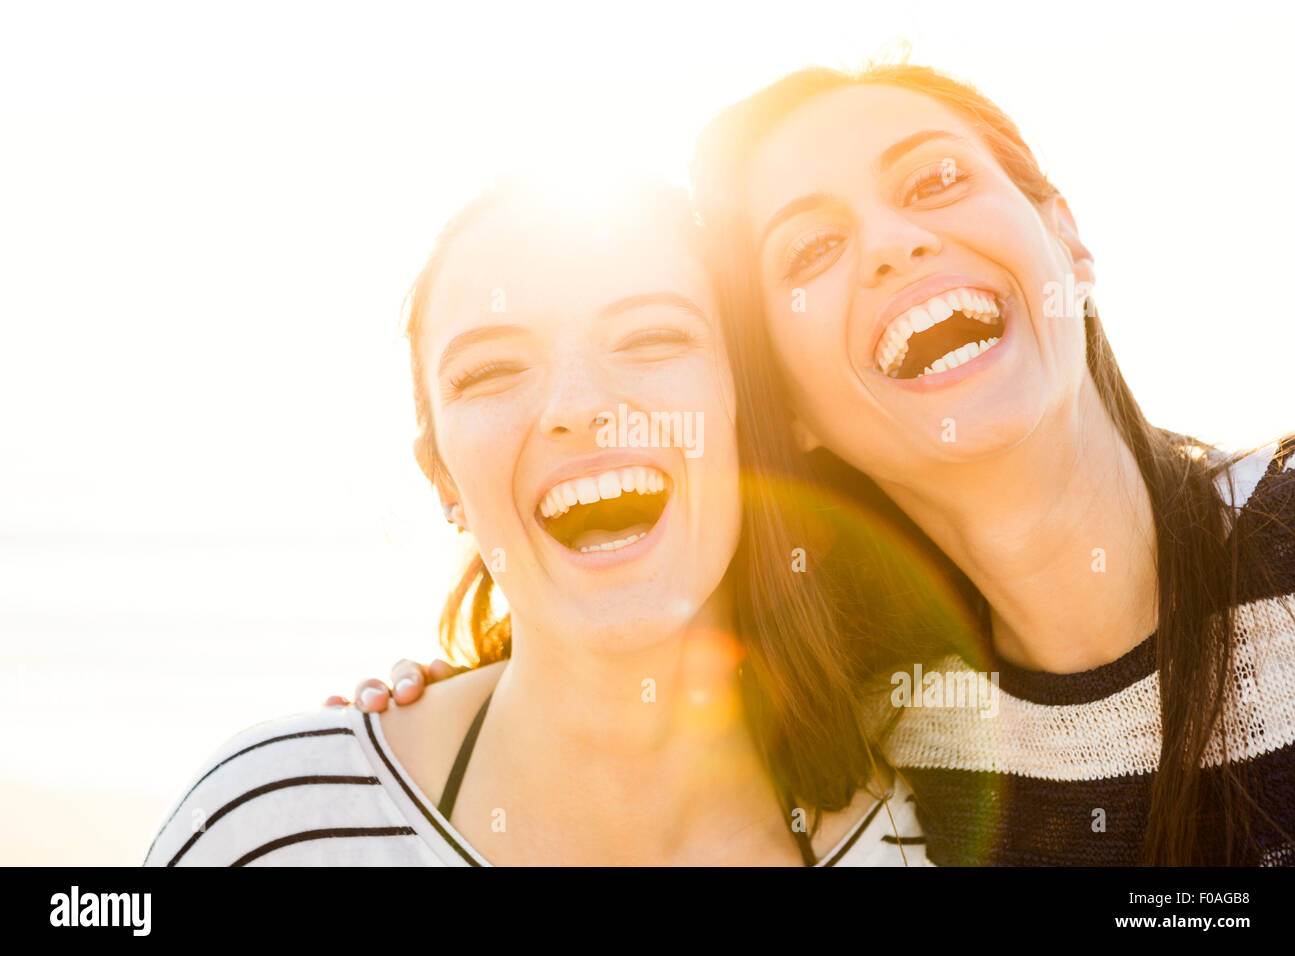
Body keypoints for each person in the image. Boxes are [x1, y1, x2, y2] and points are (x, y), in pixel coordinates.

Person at [347, 62, 1295, 866]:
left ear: (1067, 237)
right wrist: (407, 733)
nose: (895, 244)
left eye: (933, 182)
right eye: (812, 249)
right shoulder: (887, 736)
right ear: (789, 409)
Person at [143, 179, 928, 867]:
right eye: (490, 371)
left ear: (750, 414)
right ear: (442, 475)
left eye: (652, 337)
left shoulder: (924, 832)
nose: (580, 407)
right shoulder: (271, 828)